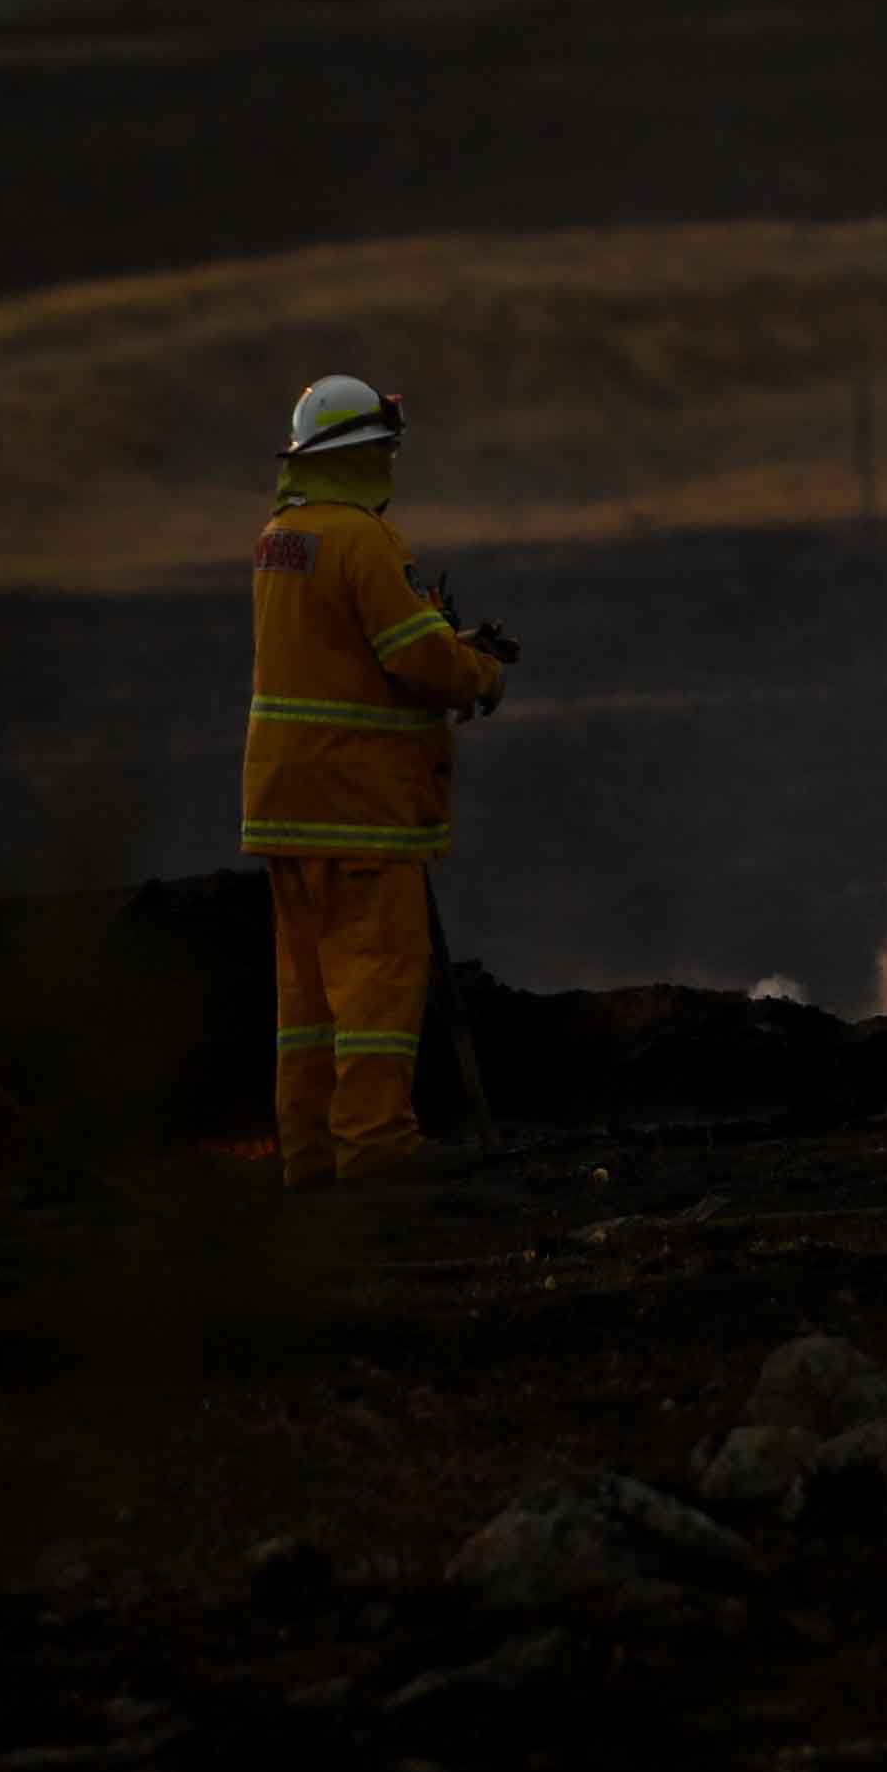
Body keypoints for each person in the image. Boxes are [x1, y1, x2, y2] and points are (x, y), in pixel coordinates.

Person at [243, 373, 517, 1186]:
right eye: (386, 446)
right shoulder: (365, 542)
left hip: (288, 808)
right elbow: (414, 657)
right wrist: (477, 673)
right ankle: (373, 1152)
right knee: (374, 990)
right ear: (362, 454)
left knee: (307, 1001)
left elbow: (339, 654)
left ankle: (312, 1157)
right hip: (360, 808)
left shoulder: (278, 539)